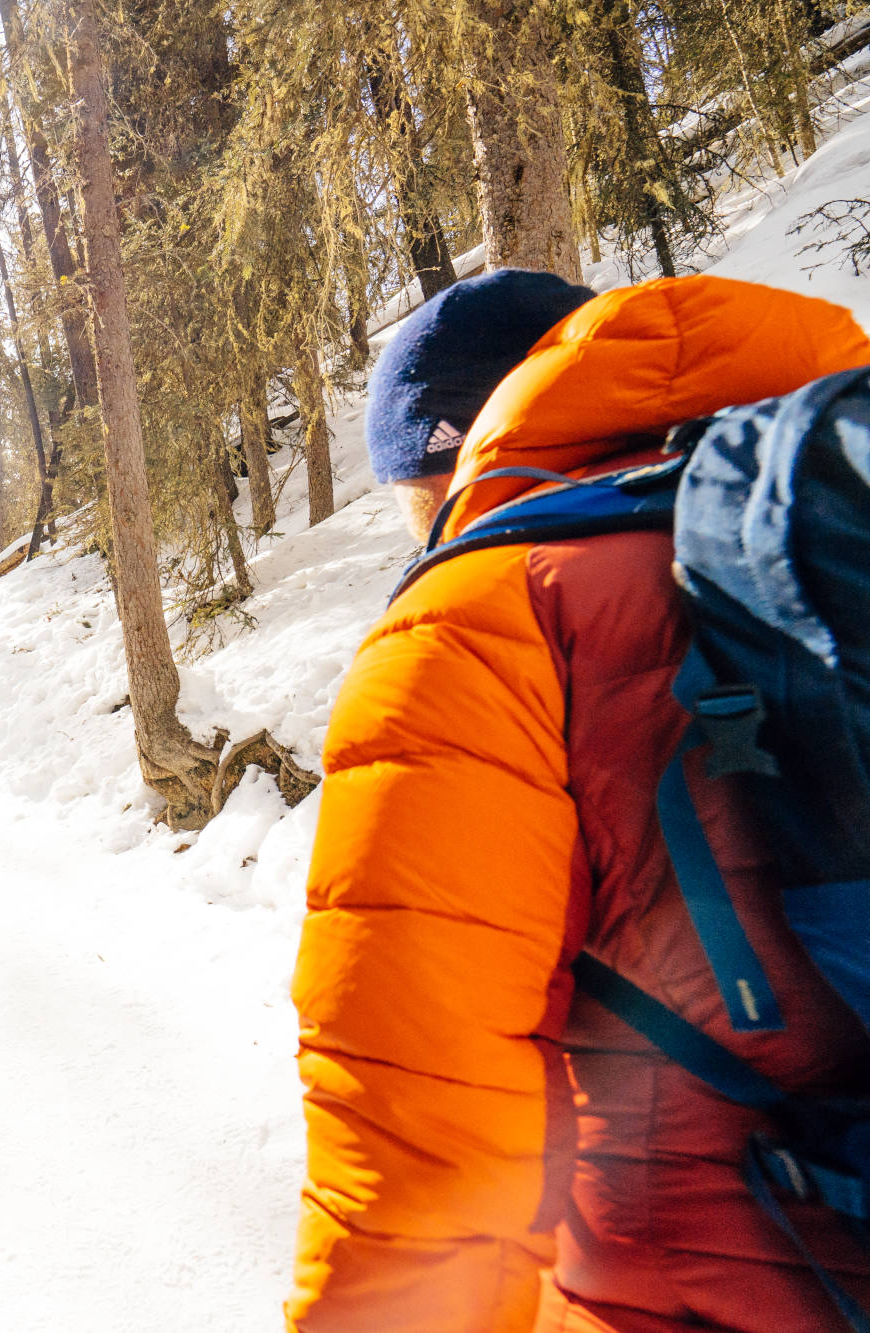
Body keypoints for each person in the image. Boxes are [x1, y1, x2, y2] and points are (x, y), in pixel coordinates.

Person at [289, 271, 870, 1330]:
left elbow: (423, 1155)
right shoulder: (832, 527)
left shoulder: (477, 623)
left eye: (403, 492)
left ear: (454, 442)